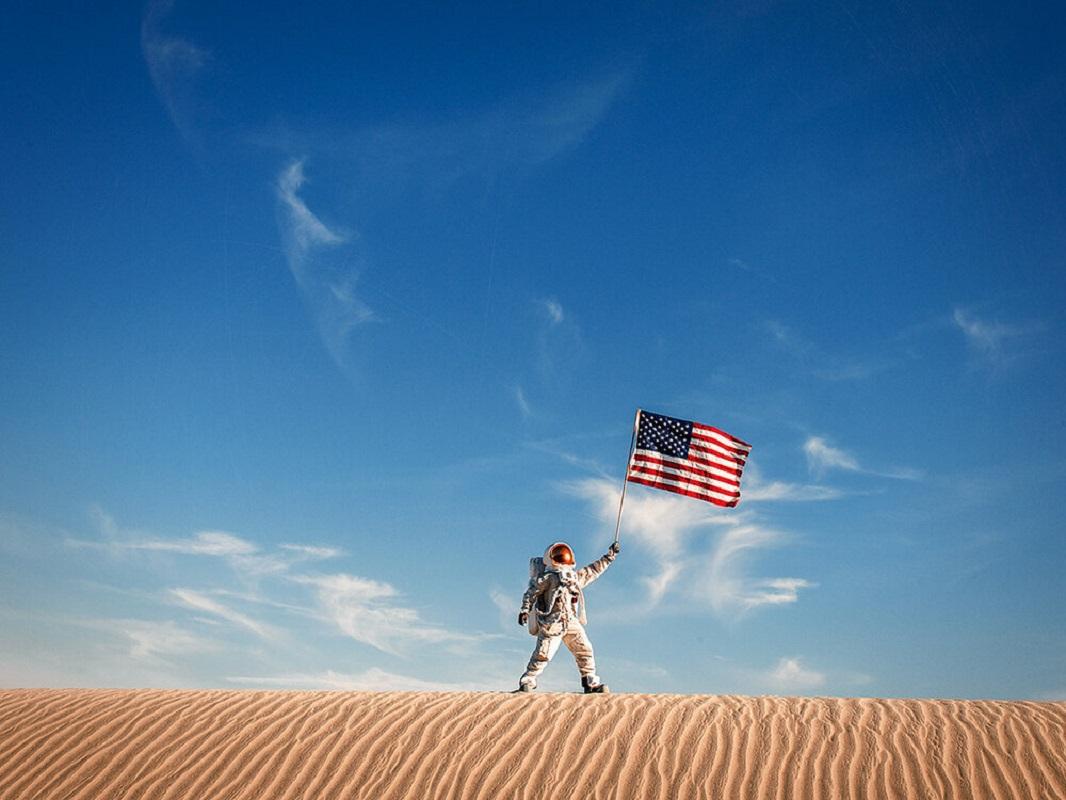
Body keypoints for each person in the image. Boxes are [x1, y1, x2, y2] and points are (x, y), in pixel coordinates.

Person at [517, 540, 620, 693]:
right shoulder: (548, 578)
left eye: (564, 555)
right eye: (558, 556)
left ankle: (589, 680)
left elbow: (593, 570)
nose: (562, 559)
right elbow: (531, 592)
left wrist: (610, 556)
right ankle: (529, 679)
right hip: (553, 623)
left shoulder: (574, 578)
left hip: (571, 622)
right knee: (543, 653)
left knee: (584, 649)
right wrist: (525, 610)